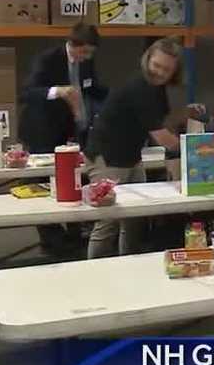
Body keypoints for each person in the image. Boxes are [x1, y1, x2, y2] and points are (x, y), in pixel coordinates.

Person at [85, 38, 203, 259]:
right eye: (156, 65)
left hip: (130, 155)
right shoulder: (141, 87)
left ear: (174, 72)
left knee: (135, 217)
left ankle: (129, 265)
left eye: (166, 70)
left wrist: (185, 113)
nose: (158, 72)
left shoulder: (156, 89)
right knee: (107, 221)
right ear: (147, 59)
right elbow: (162, 137)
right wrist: (198, 152)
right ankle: (93, 271)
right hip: (107, 156)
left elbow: (161, 122)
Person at [19, 23, 109, 255]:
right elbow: (28, 92)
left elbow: (91, 88)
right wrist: (58, 91)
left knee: (74, 179)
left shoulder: (86, 62)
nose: (87, 57)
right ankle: (50, 238)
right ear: (73, 45)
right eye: (84, 52)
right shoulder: (48, 59)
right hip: (42, 129)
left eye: (91, 53)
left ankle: (74, 235)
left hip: (70, 129)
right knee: (43, 183)